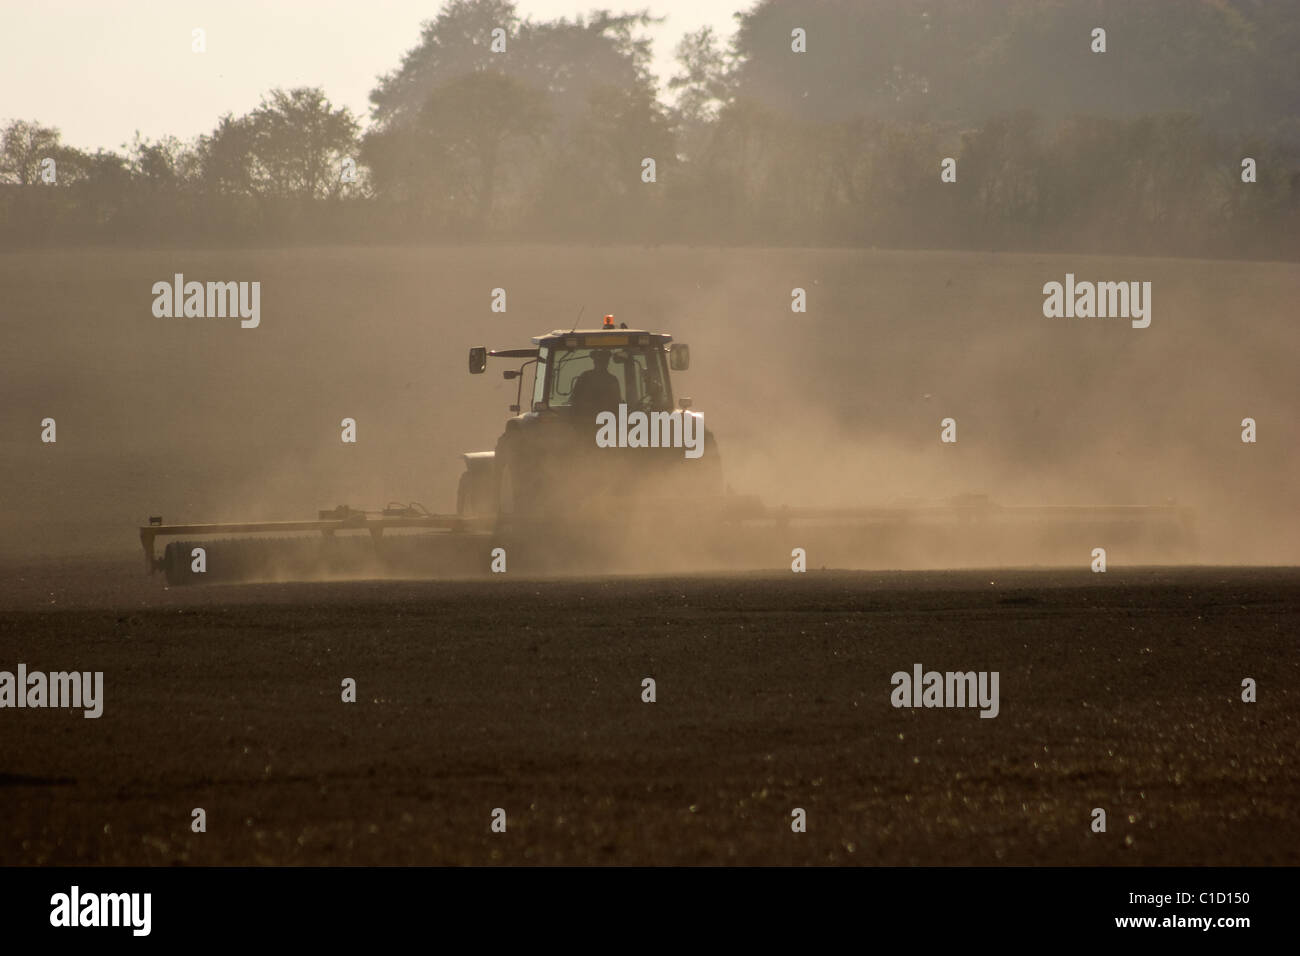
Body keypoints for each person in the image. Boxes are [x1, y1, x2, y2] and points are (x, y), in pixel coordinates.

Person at [570, 349, 622, 418]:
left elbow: (616, 402)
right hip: (586, 418)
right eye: (599, 361)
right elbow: (575, 399)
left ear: (607, 363)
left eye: (603, 361)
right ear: (594, 362)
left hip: (607, 418)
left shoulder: (612, 380)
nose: (601, 364)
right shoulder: (585, 377)